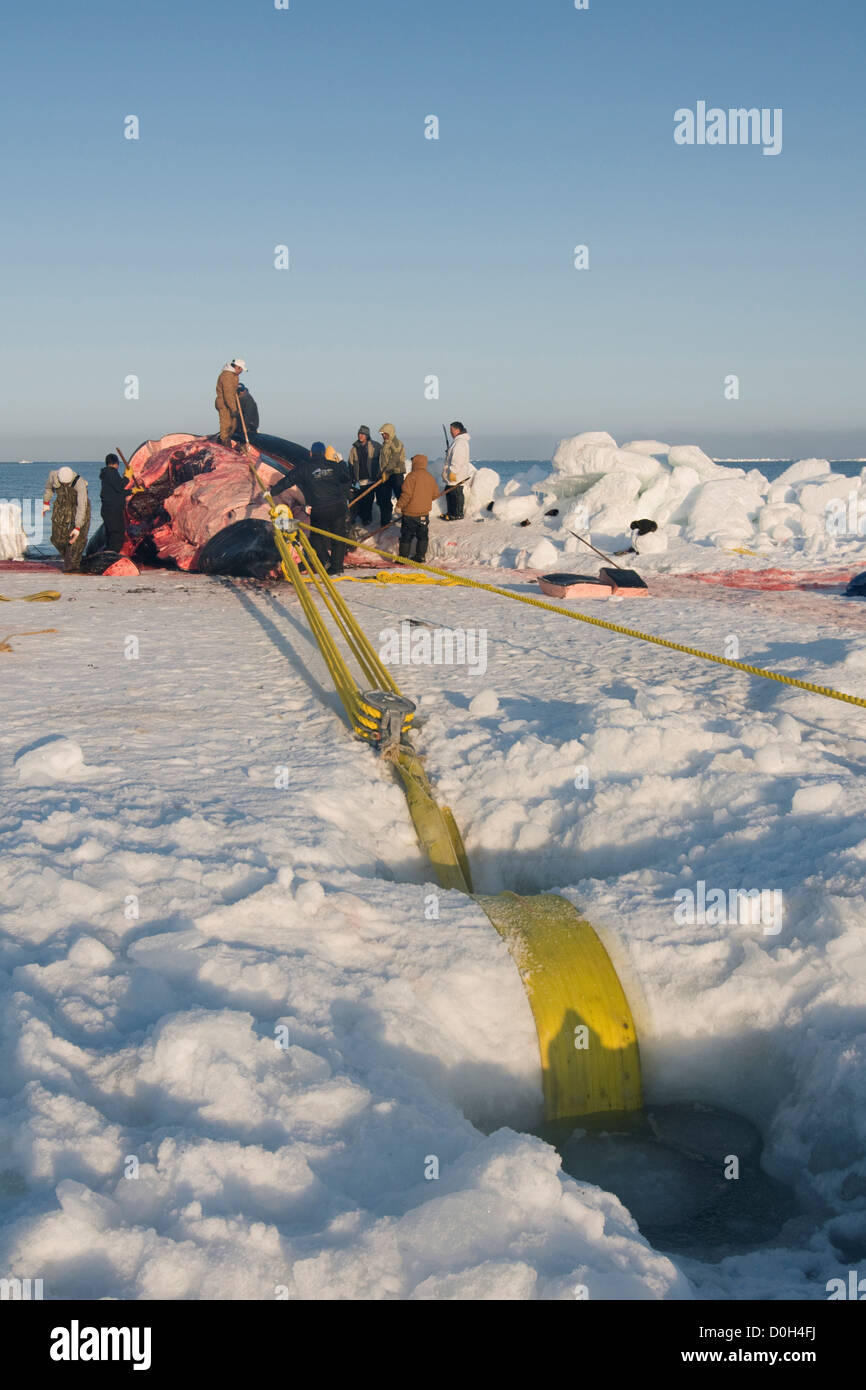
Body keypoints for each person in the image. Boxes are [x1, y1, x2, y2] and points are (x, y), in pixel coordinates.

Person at [294, 442, 353, 575]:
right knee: (338, 538)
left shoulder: (317, 470)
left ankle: (326, 561)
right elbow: (346, 480)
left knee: (317, 537)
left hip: (322, 508)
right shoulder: (336, 468)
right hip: (339, 508)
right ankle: (336, 566)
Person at [43, 466, 91, 572]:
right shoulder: (53, 475)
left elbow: (82, 506)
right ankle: (70, 558)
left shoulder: (80, 483)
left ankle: (73, 563)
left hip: (80, 506)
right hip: (62, 503)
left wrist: (77, 527)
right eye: (62, 483)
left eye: (67, 483)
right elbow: (48, 488)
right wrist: (46, 502)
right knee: (57, 538)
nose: (64, 485)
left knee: (78, 539)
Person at [396, 455, 440, 563]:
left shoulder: (411, 476)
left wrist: (399, 506)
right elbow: (435, 495)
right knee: (422, 535)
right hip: (423, 514)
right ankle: (420, 556)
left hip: (410, 514)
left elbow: (406, 495)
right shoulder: (430, 477)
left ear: (415, 463)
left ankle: (403, 558)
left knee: (406, 535)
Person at [348, 426, 381, 526]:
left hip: (371, 480)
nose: (360, 436)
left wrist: (379, 474)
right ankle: (359, 519)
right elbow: (350, 464)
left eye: (362, 434)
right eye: (359, 434)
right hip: (359, 481)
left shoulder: (375, 446)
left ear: (367, 435)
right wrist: (352, 479)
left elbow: (382, 460)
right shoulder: (354, 449)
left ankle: (367, 520)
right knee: (359, 502)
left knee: (368, 501)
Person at [442, 421, 474, 520]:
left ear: (457, 430)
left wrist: (453, 472)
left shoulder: (460, 442)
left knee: (456, 493)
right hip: (454, 473)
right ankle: (451, 512)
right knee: (449, 492)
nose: (450, 432)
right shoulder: (457, 441)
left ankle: (457, 514)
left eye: (451, 430)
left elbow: (458, 459)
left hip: (456, 473)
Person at [376, 423, 406, 526]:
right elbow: (382, 461)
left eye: (385, 433)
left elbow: (395, 459)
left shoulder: (396, 443)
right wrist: (381, 473)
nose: (383, 435)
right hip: (386, 475)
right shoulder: (385, 444)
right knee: (384, 498)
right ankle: (385, 520)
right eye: (382, 434)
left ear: (390, 432)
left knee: (400, 497)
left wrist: (387, 472)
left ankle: (406, 518)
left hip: (396, 474)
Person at [214, 358, 247, 445]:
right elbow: (228, 394)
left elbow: (232, 392)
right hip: (224, 404)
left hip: (230, 403)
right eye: (241, 369)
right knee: (226, 425)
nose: (241, 372)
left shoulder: (233, 376)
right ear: (237, 367)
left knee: (233, 425)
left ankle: (224, 441)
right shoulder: (227, 376)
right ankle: (224, 443)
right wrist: (233, 409)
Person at [100, 453, 128, 552]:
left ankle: (108, 553)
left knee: (111, 534)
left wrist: (131, 491)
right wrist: (127, 477)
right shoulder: (111, 472)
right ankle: (112, 555)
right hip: (113, 511)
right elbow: (120, 486)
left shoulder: (106, 474)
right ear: (115, 463)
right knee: (117, 534)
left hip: (108, 509)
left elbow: (116, 492)